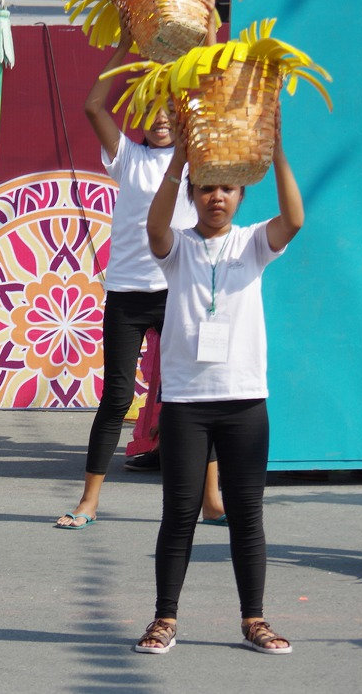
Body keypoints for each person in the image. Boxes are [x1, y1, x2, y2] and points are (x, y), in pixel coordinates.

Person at [134, 115, 300, 655]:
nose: (216, 198)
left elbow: (294, 219)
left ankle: (254, 620)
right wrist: (180, 159)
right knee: (178, 515)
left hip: (245, 401)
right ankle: (164, 619)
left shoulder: (253, 244)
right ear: (193, 193)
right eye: (206, 189)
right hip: (185, 403)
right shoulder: (178, 247)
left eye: (227, 188)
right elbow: (153, 229)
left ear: (241, 194)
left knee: (246, 515)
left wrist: (274, 152)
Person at [56, 27, 225, 530]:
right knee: (117, 395)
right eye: (150, 113)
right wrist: (124, 44)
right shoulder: (125, 157)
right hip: (128, 294)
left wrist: (198, 62)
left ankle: (212, 500)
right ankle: (88, 501)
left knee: (196, 392)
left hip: (179, 291)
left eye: (169, 113)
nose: (159, 121)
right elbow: (92, 106)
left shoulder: (194, 162)